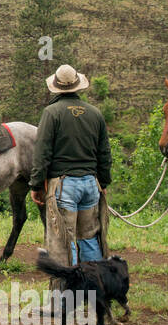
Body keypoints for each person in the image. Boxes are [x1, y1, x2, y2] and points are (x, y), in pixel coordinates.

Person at [29, 64, 112, 267]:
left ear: (56, 87)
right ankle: (94, 286)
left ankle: (69, 289)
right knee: (90, 237)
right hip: (91, 185)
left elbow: (42, 153)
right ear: (77, 86)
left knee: (65, 241)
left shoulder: (51, 113)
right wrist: (104, 182)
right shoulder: (95, 113)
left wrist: (36, 185)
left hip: (64, 186)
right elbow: (104, 154)